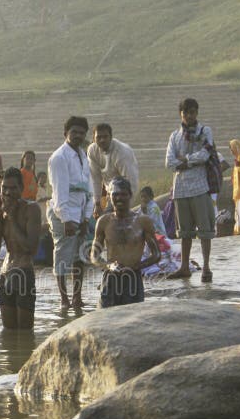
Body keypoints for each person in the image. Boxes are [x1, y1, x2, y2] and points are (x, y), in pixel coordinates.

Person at [164, 98, 216, 283]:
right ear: (181, 114)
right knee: (184, 232)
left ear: (197, 113)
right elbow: (169, 162)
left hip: (200, 187)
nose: (189, 116)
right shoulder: (174, 136)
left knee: (205, 231)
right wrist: (190, 160)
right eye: (185, 112)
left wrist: (184, 160)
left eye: (192, 112)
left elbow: (205, 155)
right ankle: (184, 267)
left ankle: (207, 267)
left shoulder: (204, 131)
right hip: (180, 189)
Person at [91, 178, 160, 308]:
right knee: (105, 320)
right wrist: (108, 265)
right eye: (115, 194)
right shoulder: (103, 221)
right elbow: (94, 256)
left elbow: (156, 254)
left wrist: (137, 266)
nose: (119, 198)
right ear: (110, 196)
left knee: (133, 320)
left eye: (123, 194)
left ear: (130, 195)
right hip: (110, 278)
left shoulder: (143, 221)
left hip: (133, 278)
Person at [48, 116, 94, 310]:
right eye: (74, 132)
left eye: (82, 133)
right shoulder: (59, 157)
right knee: (62, 257)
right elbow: (60, 192)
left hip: (81, 213)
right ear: (65, 133)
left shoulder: (83, 155)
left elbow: (88, 189)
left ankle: (77, 297)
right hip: (63, 214)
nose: (78, 135)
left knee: (79, 257)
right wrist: (67, 219)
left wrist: (86, 217)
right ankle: (64, 298)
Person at [0, 167, 42, 329]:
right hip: (5, 274)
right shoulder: (0, 212)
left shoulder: (31, 209)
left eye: (13, 188)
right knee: (8, 333)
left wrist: (10, 217)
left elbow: (30, 248)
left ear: (21, 189)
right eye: (4, 188)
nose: (8, 193)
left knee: (25, 333)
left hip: (24, 273)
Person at [87, 123, 140, 217]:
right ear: (94, 138)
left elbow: (132, 183)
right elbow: (95, 179)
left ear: (111, 137)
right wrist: (97, 204)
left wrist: (125, 208)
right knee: (102, 219)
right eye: (98, 137)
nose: (102, 140)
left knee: (116, 220)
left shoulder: (122, 152)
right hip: (109, 191)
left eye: (105, 137)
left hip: (123, 191)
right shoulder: (92, 150)